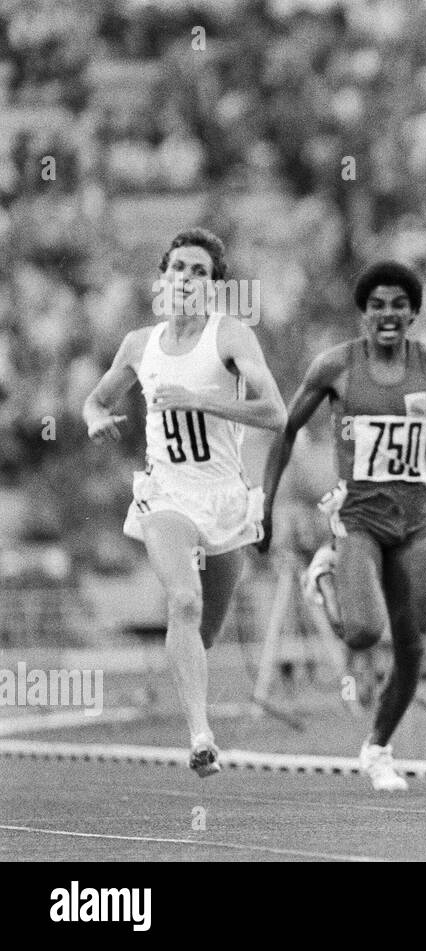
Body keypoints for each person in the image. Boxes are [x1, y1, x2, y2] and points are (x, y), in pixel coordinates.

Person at [259, 261, 426, 791]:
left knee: (413, 646)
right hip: (359, 516)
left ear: (412, 313)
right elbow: (286, 430)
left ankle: (378, 747)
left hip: (413, 518)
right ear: (364, 313)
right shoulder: (335, 367)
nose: (388, 314)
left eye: (398, 305)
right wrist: (265, 506)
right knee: (363, 631)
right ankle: (323, 579)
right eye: (378, 305)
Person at [83, 227, 287, 777]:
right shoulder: (138, 345)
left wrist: (202, 401)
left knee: (206, 629)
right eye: (178, 268)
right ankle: (200, 734)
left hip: (223, 495)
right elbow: (95, 400)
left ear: (214, 286)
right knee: (184, 601)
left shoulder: (232, 338)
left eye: (199, 272)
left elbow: (275, 413)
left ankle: (186, 683)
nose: (186, 279)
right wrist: (97, 419)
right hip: (166, 492)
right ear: (162, 278)